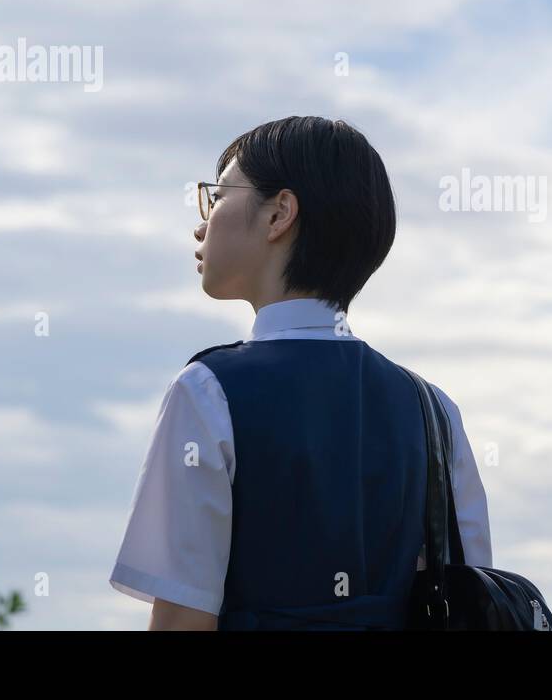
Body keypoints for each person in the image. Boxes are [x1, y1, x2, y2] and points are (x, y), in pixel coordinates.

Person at [109, 116, 492, 630]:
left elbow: (183, 621)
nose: (202, 223)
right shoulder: (434, 411)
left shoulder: (209, 391)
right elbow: (471, 596)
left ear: (279, 214)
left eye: (217, 195)